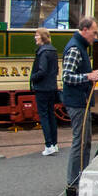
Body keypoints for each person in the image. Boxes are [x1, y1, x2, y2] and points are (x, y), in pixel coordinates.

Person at [62, 16, 98, 196]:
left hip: (81, 101)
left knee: (85, 141)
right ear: (84, 30)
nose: (95, 37)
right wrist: (89, 76)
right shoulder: (75, 48)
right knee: (79, 142)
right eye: (94, 33)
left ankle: (82, 177)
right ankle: (74, 183)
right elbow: (67, 76)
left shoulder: (80, 47)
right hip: (77, 102)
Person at [29, 27, 60, 156]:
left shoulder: (43, 52)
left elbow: (42, 70)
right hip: (52, 87)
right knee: (51, 115)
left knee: (44, 116)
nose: (35, 37)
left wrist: (33, 77)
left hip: (42, 88)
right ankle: (55, 144)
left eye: (37, 35)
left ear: (42, 37)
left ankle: (48, 145)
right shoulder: (53, 51)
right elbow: (56, 70)